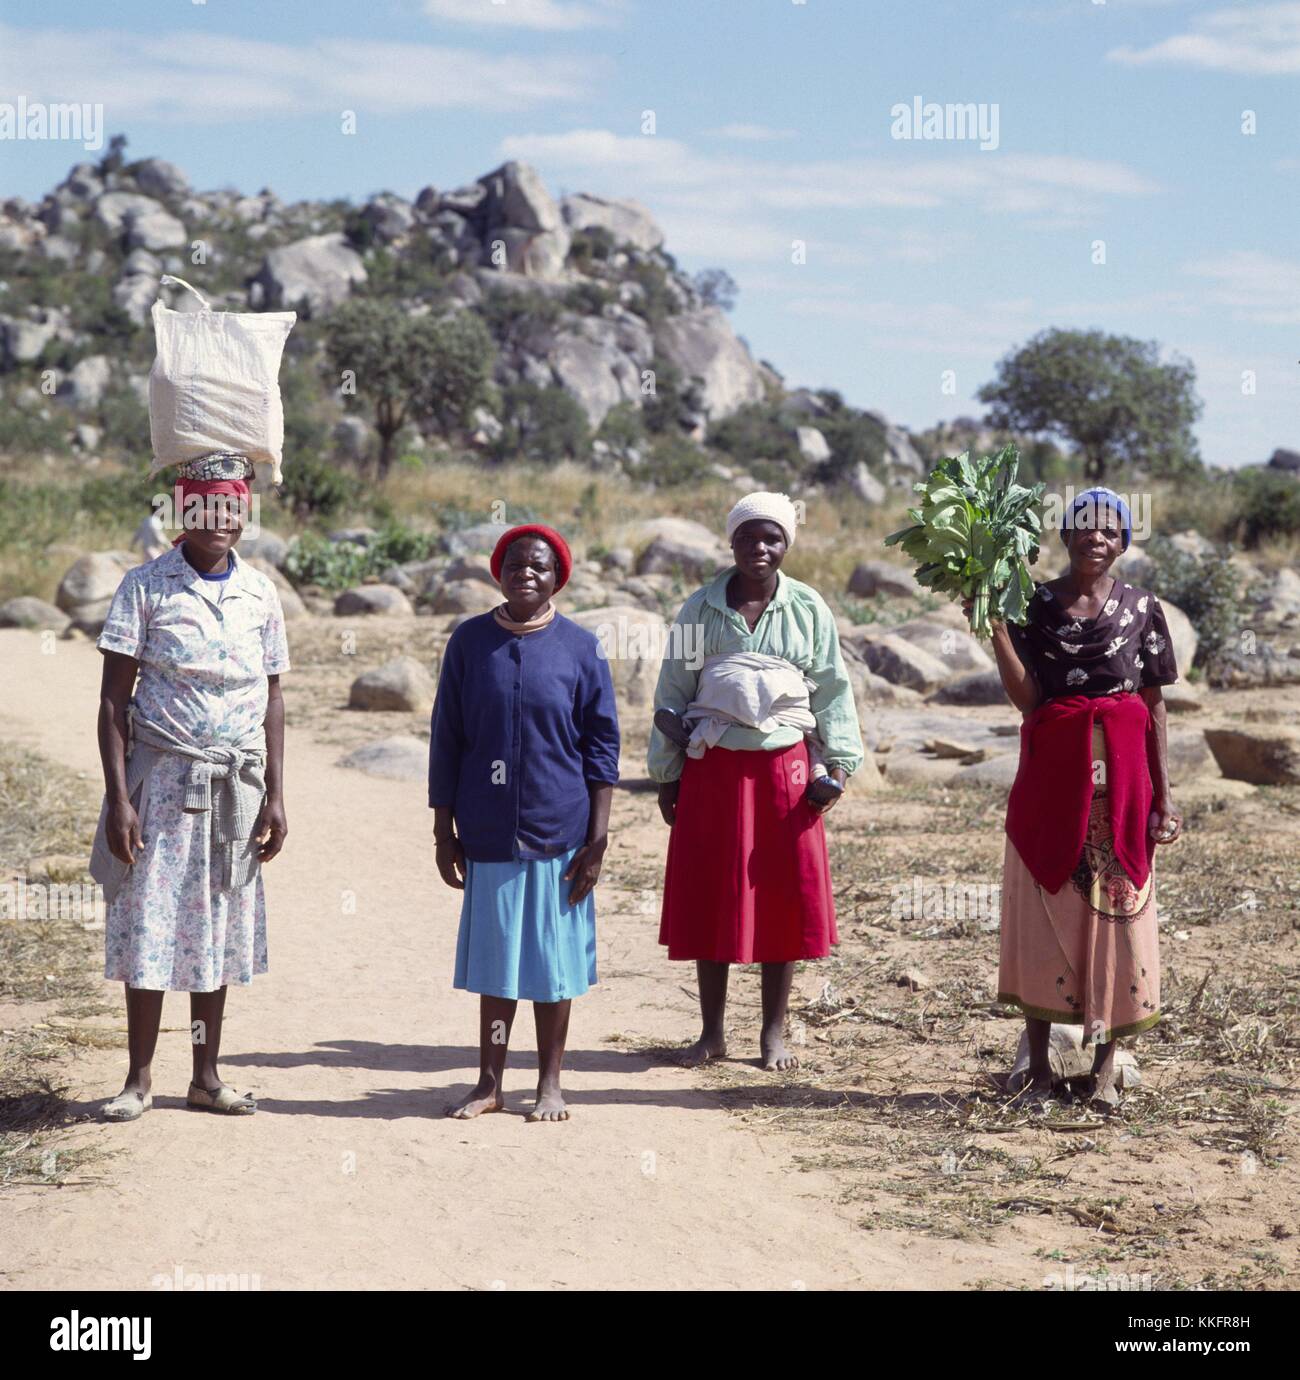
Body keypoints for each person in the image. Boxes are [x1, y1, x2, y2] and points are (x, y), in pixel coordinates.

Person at [91, 452, 290, 1120]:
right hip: (161, 781)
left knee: (217, 927)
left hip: (236, 785)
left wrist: (277, 794)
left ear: (243, 516)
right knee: (148, 921)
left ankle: (206, 1077)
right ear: (184, 511)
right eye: (205, 506)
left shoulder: (260, 593)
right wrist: (120, 799)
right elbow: (114, 703)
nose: (219, 520)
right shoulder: (144, 587)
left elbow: (274, 699)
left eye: (232, 507)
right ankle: (139, 1079)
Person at [978, 485, 1182, 1112]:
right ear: (1064, 537)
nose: (1097, 537)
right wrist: (995, 627)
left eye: (1110, 529)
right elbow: (1028, 700)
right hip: (1051, 784)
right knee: (1048, 912)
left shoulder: (1143, 609)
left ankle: (1104, 1070)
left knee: (1116, 917)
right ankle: (1038, 1069)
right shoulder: (1033, 606)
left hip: (1122, 791)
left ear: (1124, 542)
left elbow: (1154, 706)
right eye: (1083, 526)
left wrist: (1165, 799)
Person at [648, 492, 864, 1072]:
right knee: (713, 891)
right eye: (748, 537)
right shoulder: (700, 609)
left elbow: (832, 688)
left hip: (785, 770)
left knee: (781, 894)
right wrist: (668, 774)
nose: (759, 549)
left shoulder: (809, 609)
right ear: (732, 542)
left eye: (771, 538)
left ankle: (773, 1032)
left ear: (786, 544)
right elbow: (674, 691)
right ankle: (712, 1032)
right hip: (714, 765)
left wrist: (838, 766)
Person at [429, 524, 620, 1123]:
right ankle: (489, 1082)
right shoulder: (468, 643)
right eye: (515, 565)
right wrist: (444, 829)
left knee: (552, 964)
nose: (526, 575)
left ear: (557, 576)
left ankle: (551, 1083)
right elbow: (447, 740)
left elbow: (602, 749)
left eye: (538, 566)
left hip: (560, 830)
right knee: (497, 961)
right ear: (498, 572)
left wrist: (597, 840)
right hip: (486, 830)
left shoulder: (582, 649)